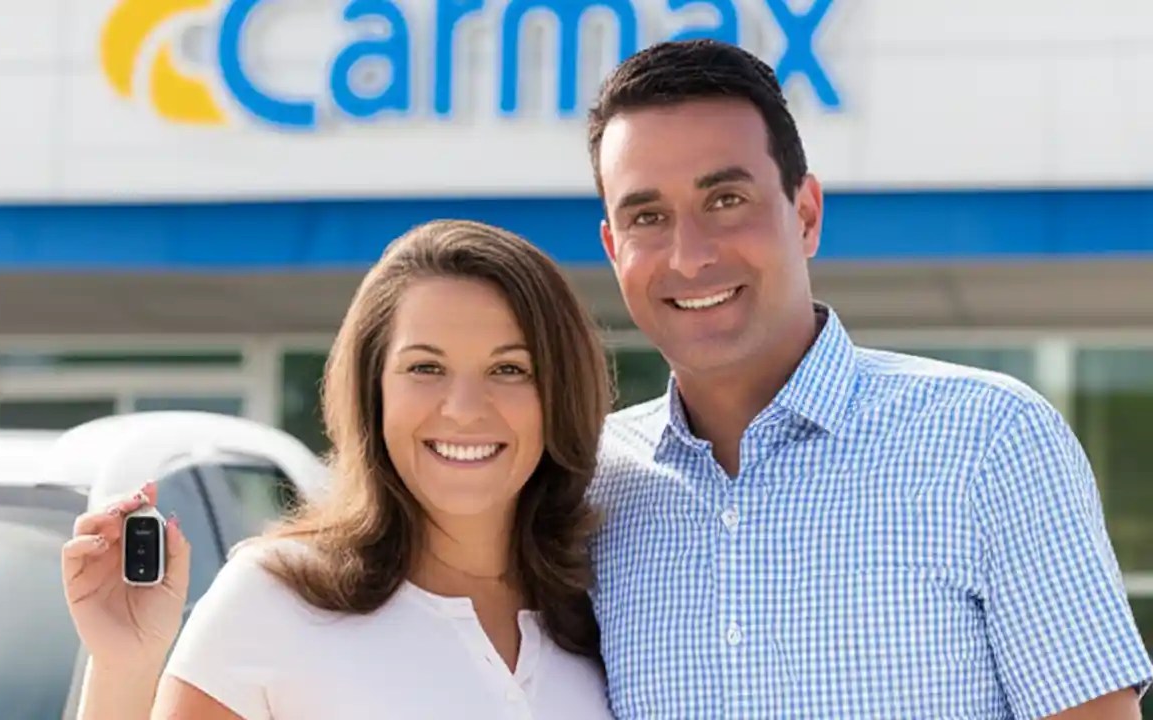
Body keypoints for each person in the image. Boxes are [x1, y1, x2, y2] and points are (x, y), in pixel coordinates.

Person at [583, 38, 1153, 719]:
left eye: (726, 199)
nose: (691, 254)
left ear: (806, 215)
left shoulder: (991, 442)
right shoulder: (587, 486)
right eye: (648, 217)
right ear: (614, 249)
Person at [61, 219, 616, 719]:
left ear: (560, 392)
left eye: (509, 368)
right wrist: (122, 668)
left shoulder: (608, 603)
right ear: (372, 391)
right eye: (425, 367)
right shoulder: (274, 600)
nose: (465, 408)